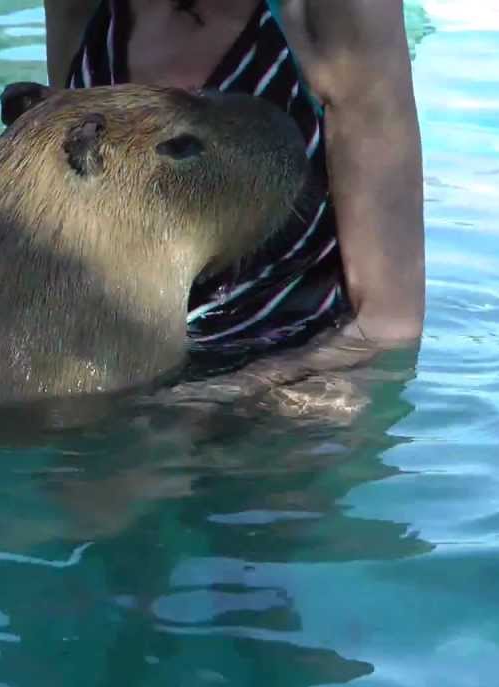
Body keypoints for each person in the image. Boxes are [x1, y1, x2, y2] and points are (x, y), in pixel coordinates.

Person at [43, 0, 425, 411]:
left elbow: (387, 325)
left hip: (291, 390)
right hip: (113, 379)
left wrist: (214, 397)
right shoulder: (83, 9)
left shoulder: (337, 11)